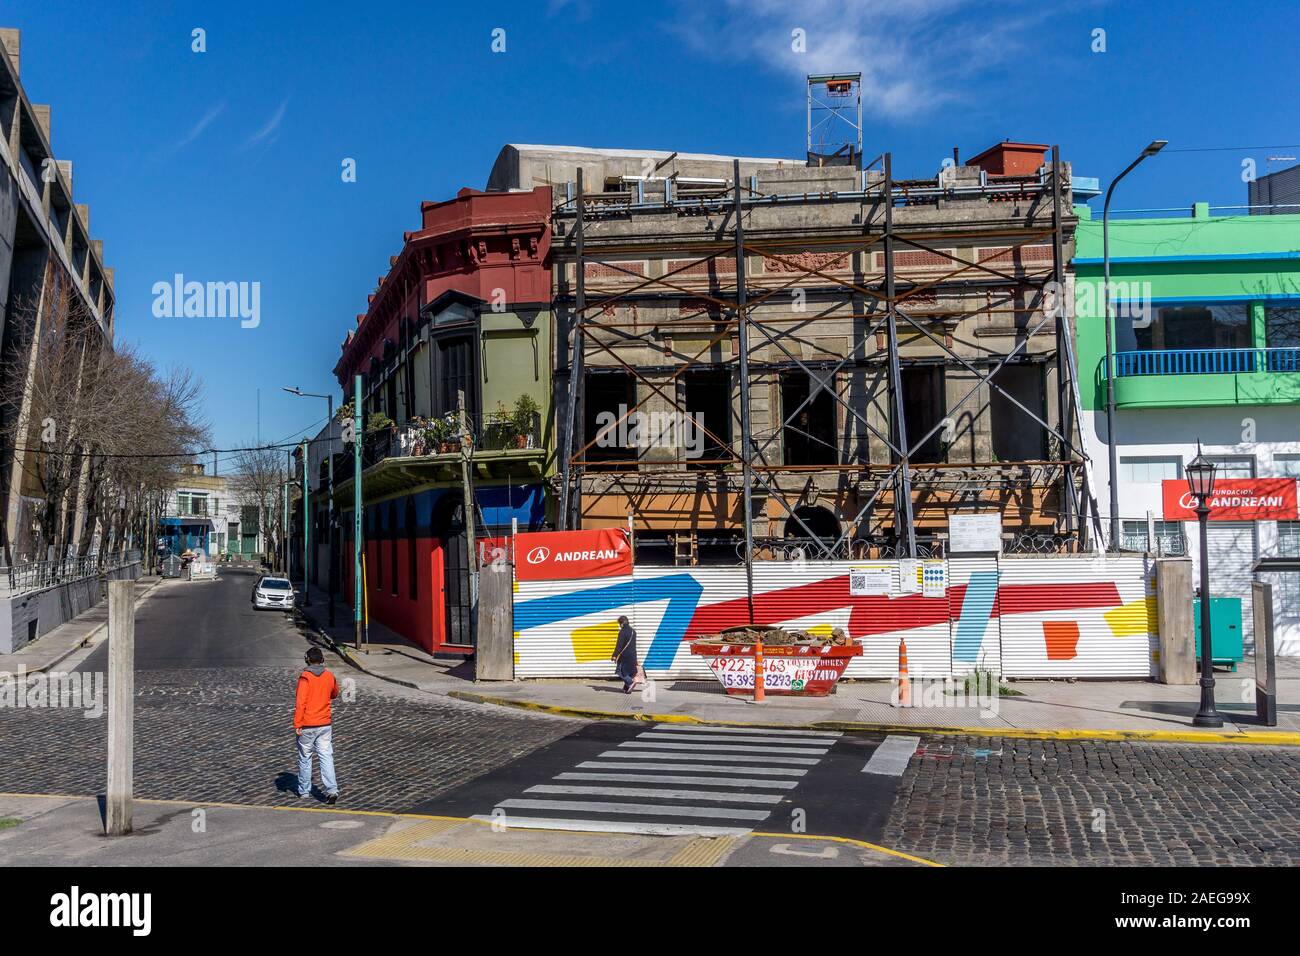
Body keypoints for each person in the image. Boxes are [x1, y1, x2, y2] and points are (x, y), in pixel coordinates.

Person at [294, 647, 341, 803]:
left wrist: (297, 723)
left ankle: (304, 791)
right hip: (325, 724)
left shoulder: (305, 677)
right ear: (322, 660)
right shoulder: (329, 676)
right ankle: (332, 790)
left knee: (305, 758)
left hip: (307, 724)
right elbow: (335, 693)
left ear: (307, 660)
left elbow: (301, 702)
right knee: (326, 757)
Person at [611, 615, 642, 694]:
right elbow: (633, 646)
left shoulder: (622, 632)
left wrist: (614, 655)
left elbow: (619, 645)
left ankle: (630, 682)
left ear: (621, 623)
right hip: (632, 656)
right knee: (629, 672)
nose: (619, 626)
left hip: (624, 656)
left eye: (619, 624)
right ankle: (626, 688)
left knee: (620, 671)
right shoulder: (633, 631)